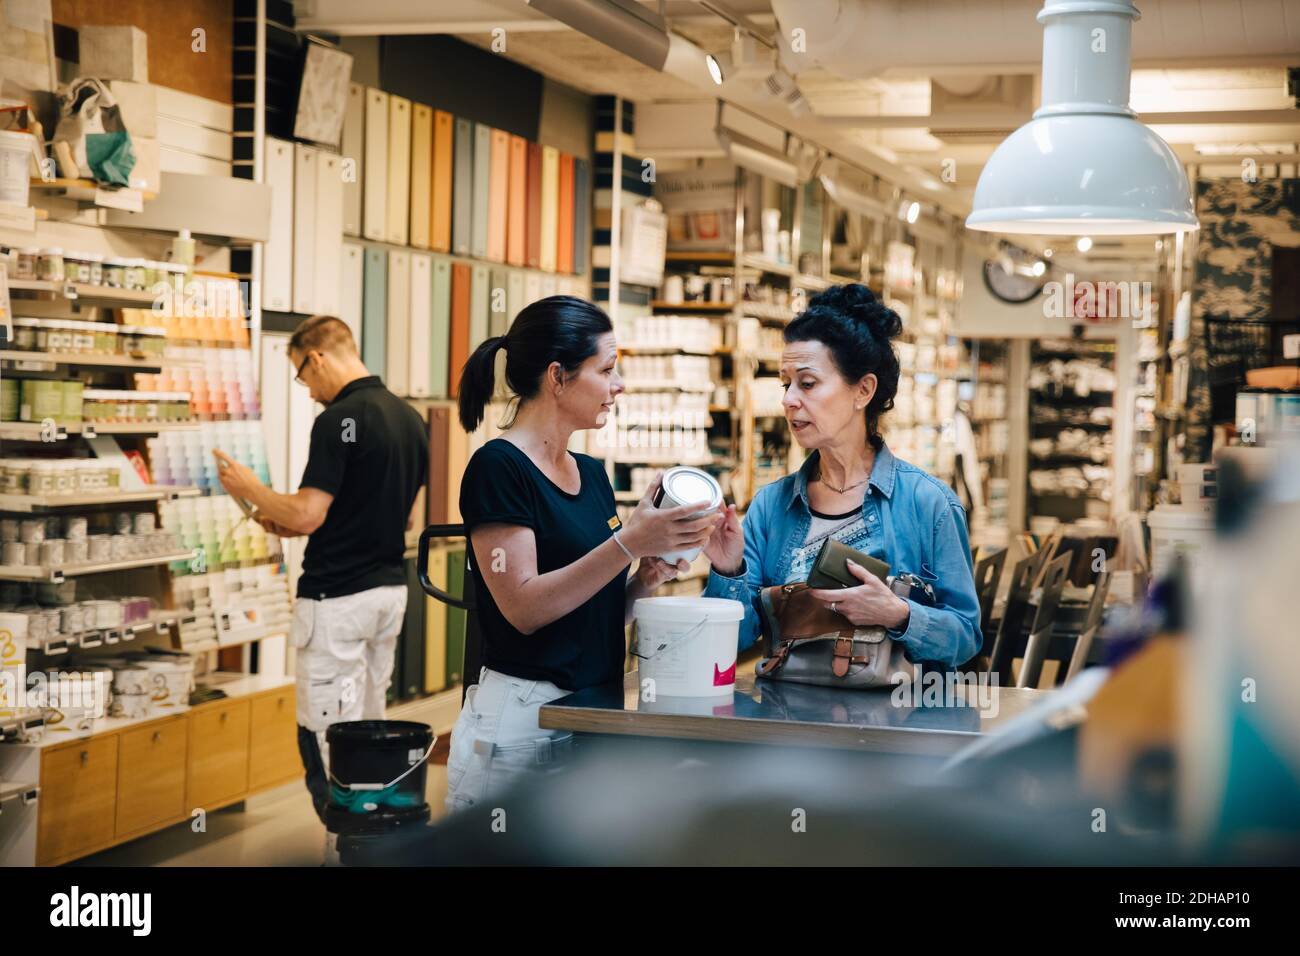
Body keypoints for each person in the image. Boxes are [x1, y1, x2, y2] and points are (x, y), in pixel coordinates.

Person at [444, 295, 727, 813]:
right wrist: (628, 543)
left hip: (594, 714)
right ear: (558, 376)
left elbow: (592, 616)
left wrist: (643, 577)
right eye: (607, 370)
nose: (618, 386)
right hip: (524, 723)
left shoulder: (592, 474)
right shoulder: (499, 469)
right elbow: (524, 609)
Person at [214, 315, 429, 842]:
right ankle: (376, 847)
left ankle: (343, 849)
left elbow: (309, 514)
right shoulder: (408, 418)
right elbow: (394, 517)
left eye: (302, 376)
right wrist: (284, 518)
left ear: (317, 357)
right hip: (387, 593)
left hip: (336, 602)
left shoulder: (339, 419)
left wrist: (250, 487)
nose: (309, 393)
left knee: (327, 734)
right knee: (371, 727)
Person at [701, 283, 982, 670]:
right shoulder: (771, 506)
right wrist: (728, 570)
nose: (788, 400)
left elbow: (965, 638)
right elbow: (730, 643)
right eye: (786, 384)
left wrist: (898, 614)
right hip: (785, 717)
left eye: (808, 383)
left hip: (891, 722)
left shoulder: (927, 503)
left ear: (863, 390)